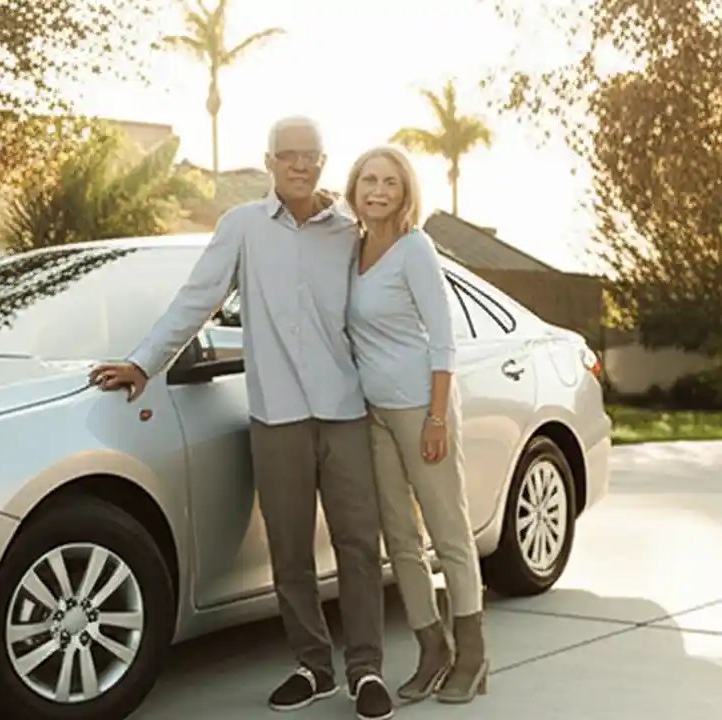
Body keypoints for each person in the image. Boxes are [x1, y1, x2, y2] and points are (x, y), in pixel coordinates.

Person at [89, 116, 394, 720]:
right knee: (288, 550)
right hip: (277, 415)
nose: (301, 165)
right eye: (289, 156)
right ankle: (313, 667)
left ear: (324, 160)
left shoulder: (348, 231)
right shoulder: (243, 228)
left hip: (344, 411)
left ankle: (366, 672)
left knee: (359, 546)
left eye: (311, 155)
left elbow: (384, 306)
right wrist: (144, 364)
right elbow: (195, 300)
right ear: (270, 161)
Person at [342, 144, 489, 704]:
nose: (378, 191)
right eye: (369, 180)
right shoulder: (352, 248)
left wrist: (435, 417)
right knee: (400, 539)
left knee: (449, 532)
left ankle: (472, 654)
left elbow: (443, 340)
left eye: (390, 183)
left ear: (406, 193)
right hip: (372, 412)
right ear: (354, 187)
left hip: (420, 409)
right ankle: (433, 648)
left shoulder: (415, 248)